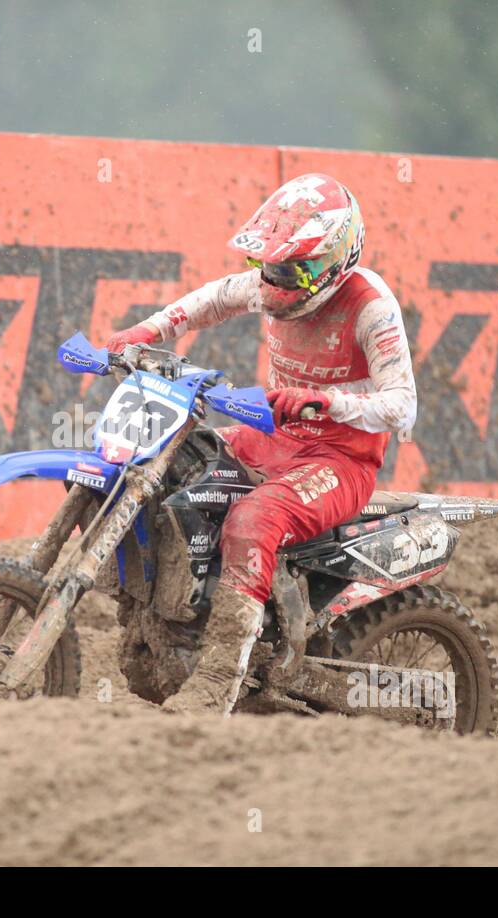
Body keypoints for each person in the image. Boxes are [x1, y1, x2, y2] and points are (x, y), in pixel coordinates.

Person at [104, 173, 417, 715]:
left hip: (339, 459)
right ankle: (160, 619)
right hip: (272, 436)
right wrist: (147, 332)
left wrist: (326, 401)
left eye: (291, 269)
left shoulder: (371, 305)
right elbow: (214, 299)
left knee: (251, 521)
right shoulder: (275, 283)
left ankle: (216, 682)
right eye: (266, 266)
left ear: (337, 258)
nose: (274, 281)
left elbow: (402, 406)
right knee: (166, 462)